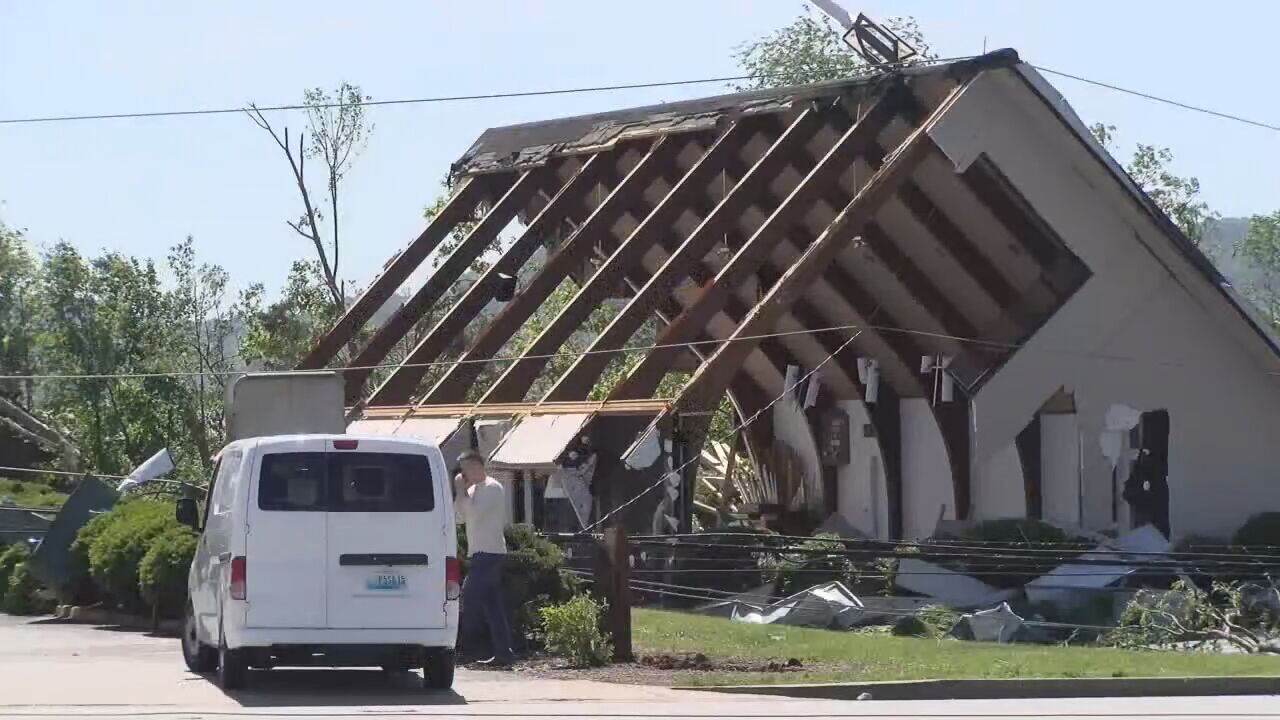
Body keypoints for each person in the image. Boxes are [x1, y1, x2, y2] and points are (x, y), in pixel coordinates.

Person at [453, 449, 514, 667]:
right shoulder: (472, 490)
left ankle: (468, 649)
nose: (465, 473)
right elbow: (458, 517)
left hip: (490, 552)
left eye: (467, 468)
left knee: (469, 597)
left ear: (478, 466)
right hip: (478, 552)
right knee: (492, 606)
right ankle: (504, 653)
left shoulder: (492, 488)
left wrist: (461, 492)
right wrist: (462, 493)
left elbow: (474, 512)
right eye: (463, 470)